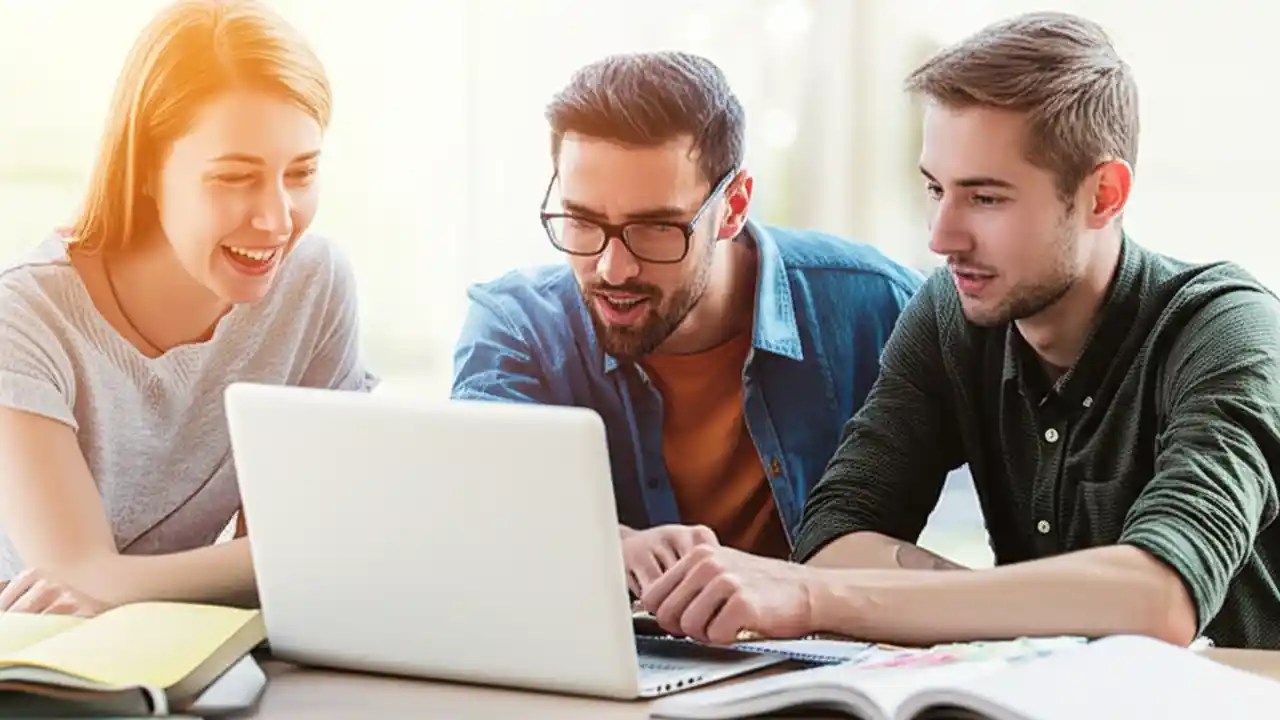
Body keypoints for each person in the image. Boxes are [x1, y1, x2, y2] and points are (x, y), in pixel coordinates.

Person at [639, 11, 1280, 650]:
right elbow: (836, 541)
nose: (942, 238)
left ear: (1103, 196)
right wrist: (1002, 612)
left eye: (986, 198)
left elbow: (1161, 597)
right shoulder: (955, 312)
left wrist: (812, 598)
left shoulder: (1227, 330)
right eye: (934, 188)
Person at [451, 51, 922, 596]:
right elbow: (478, 503)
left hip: (828, 664)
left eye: (655, 229)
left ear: (734, 205)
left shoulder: (876, 304)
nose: (612, 268)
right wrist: (610, 544)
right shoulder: (517, 325)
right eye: (581, 221)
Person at [0, 0, 374, 616]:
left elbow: (290, 575)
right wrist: (316, 552)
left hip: (201, 650)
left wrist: (307, 555)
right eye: (235, 177)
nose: (277, 219)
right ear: (146, 168)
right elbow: (73, 579)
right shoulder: (27, 318)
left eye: (301, 173)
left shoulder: (315, 286)